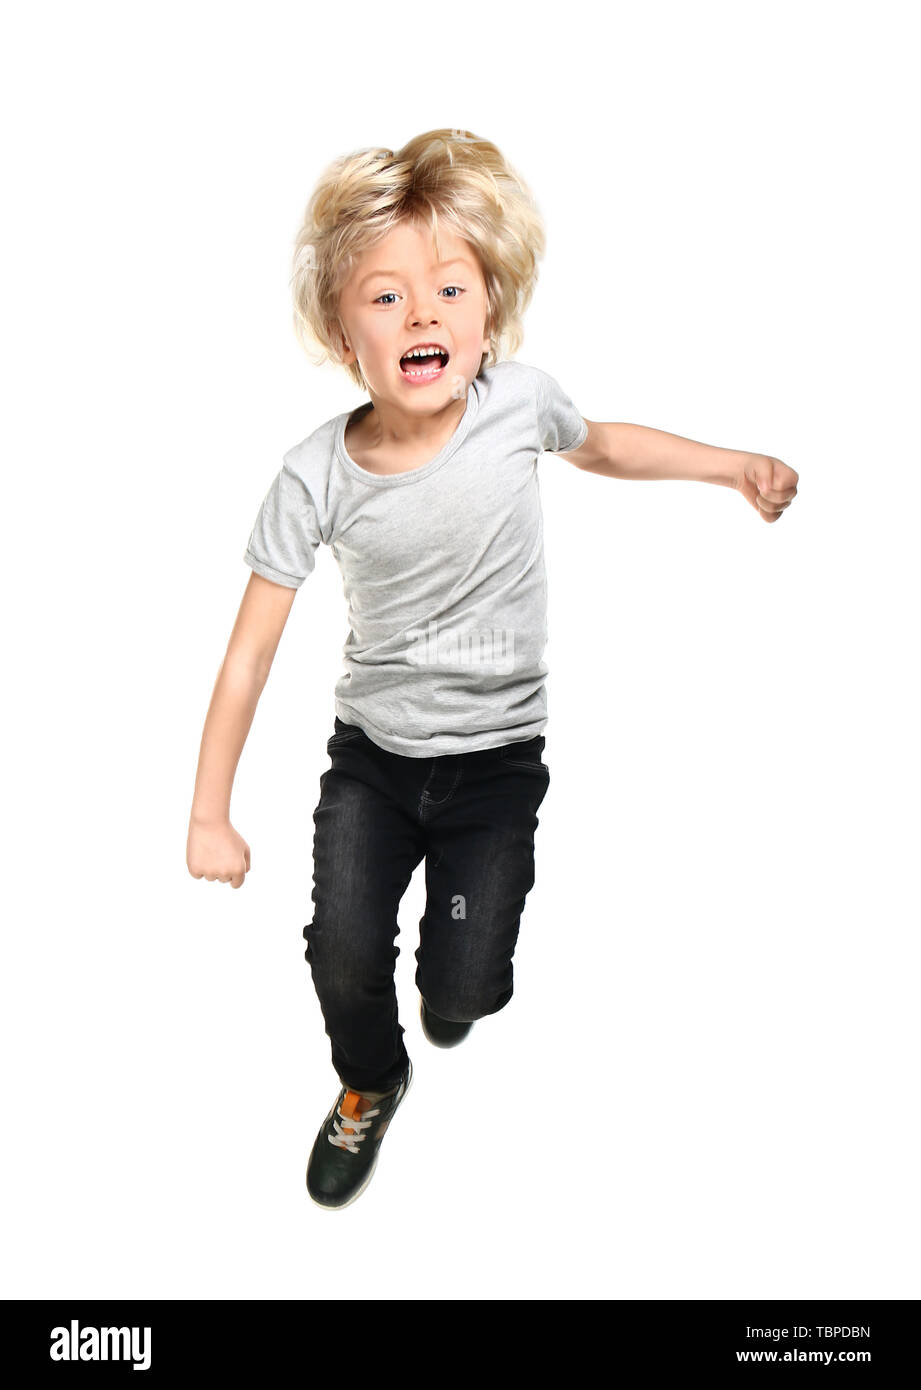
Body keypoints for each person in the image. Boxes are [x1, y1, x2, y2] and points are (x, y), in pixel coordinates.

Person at [186, 129, 799, 1211]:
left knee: (467, 985)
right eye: (386, 297)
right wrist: (209, 811)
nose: (422, 313)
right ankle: (370, 1080)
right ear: (341, 335)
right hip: (373, 764)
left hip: (495, 769)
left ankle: (454, 983)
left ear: (489, 314)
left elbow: (606, 444)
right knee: (339, 952)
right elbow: (250, 650)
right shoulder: (310, 476)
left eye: (450, 288)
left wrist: (728, 465)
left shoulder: (520, 404)